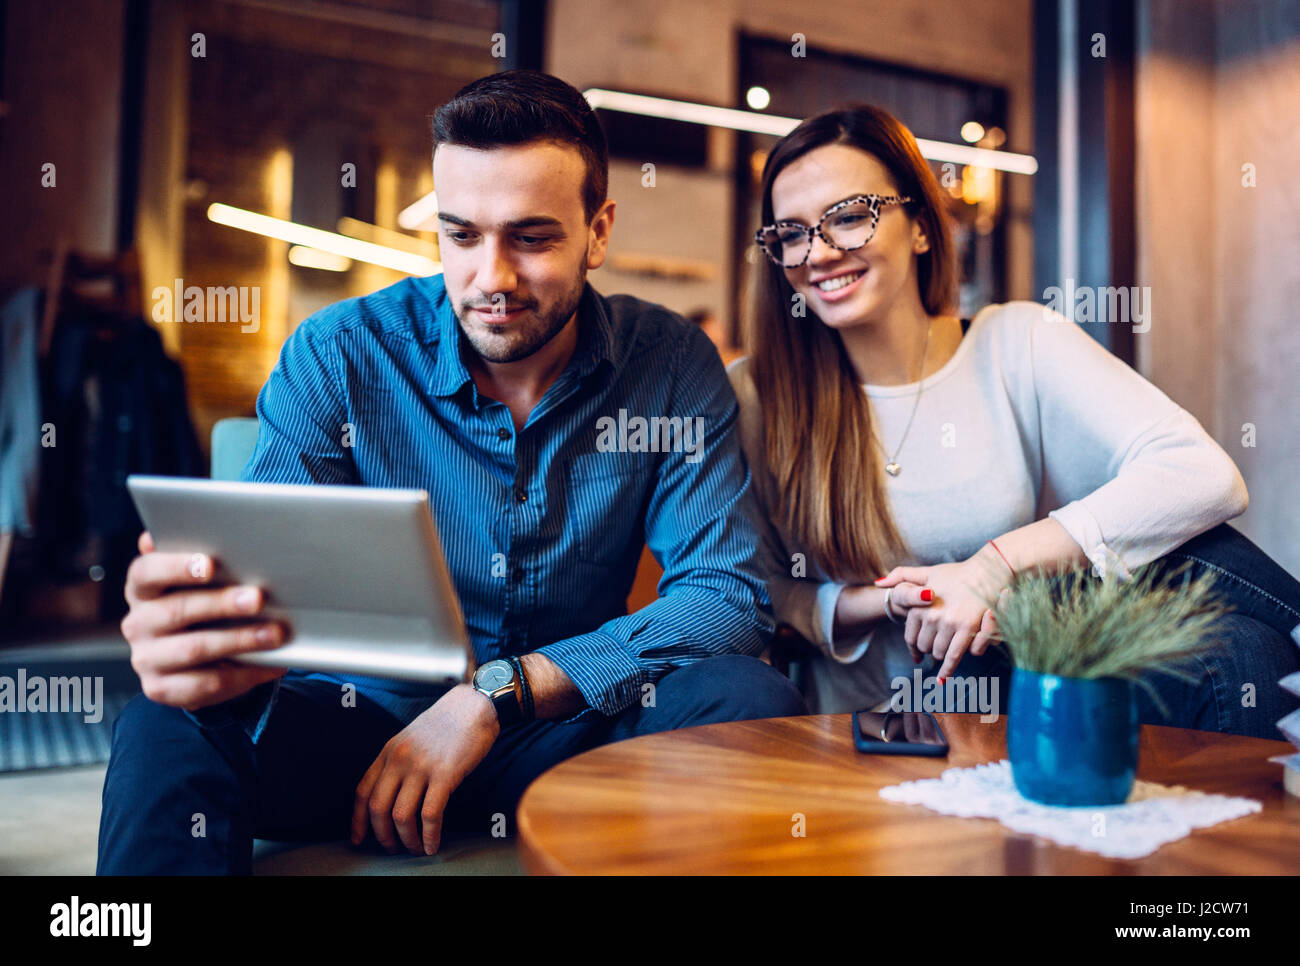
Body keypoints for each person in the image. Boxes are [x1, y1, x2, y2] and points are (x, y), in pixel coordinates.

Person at [98, 69, 805, 875]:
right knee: (167, 719)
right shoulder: (341, 353)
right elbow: (265, 579)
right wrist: (206, 638)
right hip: (359, 738)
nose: (491, 278)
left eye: (531, 238)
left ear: (598, 232)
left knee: (749, 699)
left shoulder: (670, 363)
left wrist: (494, 696)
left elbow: (727, 598)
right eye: (460, 235)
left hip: (563, 741)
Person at [729, 103, 1300, 736]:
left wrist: (992, 567)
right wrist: (889, 601)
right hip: (900, 715)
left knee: (1246, 653)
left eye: (850, 217)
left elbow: (1205, 477)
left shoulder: (1015, 341)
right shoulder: (756, 393)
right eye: (791, 233)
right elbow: (756, 588)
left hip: (1024, 678)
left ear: (920, 225)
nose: (820, 253)